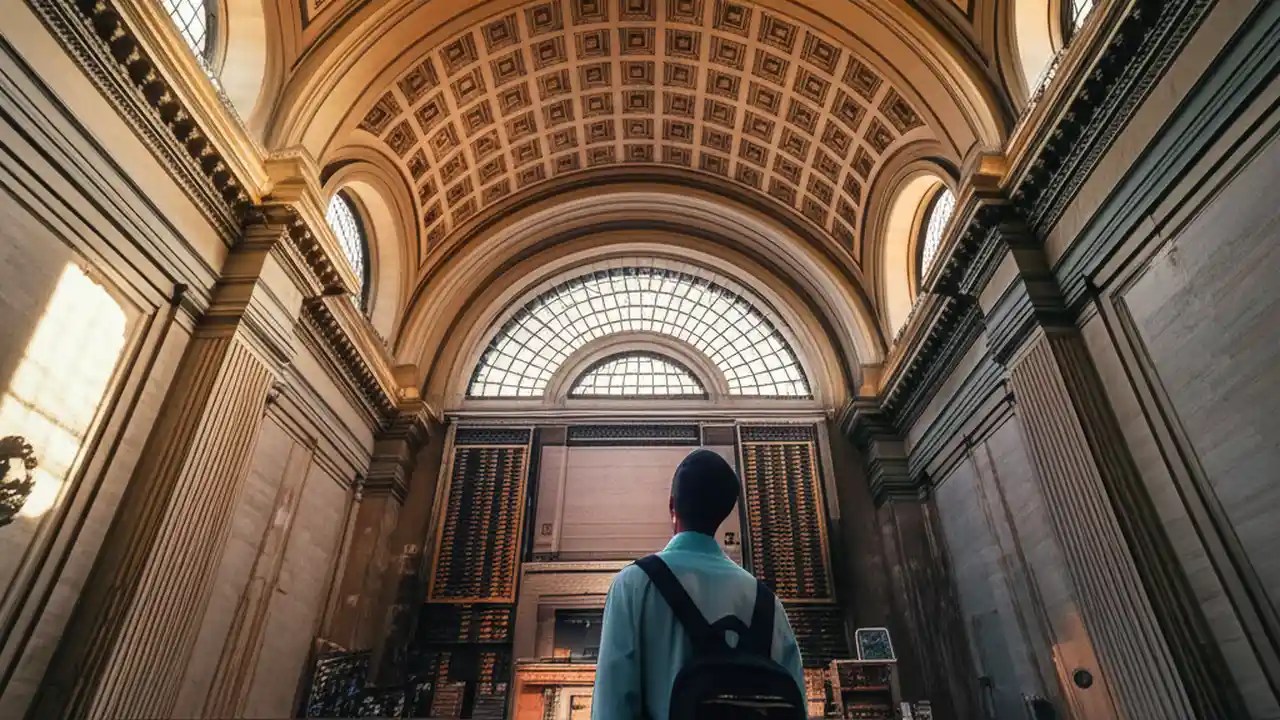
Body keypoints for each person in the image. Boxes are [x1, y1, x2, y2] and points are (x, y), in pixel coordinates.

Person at [591, 449, 806, 720]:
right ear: (723, 514)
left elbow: (612, 707)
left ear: (672, 506)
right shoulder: (768, 605)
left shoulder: (634, 585)